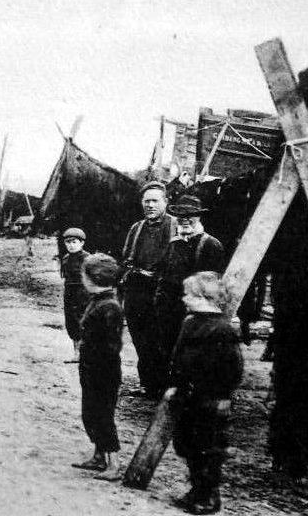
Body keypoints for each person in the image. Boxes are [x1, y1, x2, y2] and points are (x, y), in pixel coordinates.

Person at [166, 272, 244, 515]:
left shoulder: (222, 330)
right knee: (187, 443)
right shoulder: (190, 323)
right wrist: (175, 384)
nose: (184, 299)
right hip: (188, 397)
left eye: (189, 295)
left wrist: (223, 397)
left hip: (210, 399)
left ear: (204, 297)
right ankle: (196, 489)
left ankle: (209, 495)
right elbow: (178, 359)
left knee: (207, 447)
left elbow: (233, 369)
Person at [154, 195, 226, 389]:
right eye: (180, 216)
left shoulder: (211, 245)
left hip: (196, 311)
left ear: (199, 218)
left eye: (191, 216)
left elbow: (212, 285)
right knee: (170, 350)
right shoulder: (173, 244)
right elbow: (163, 275)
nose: (185, 220)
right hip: (170, 311)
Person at [119, 181, 176, 399]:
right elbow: (126, 257)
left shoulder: (175, 225)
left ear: (165, 202)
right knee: (140, 338)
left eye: (155, 201)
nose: (150, 205)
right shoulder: (137, 228)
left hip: (163, 291)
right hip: (137, 290)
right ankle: (148, 384)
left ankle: (166, 385)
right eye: (147, 201)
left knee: (162, 338)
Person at [71, 253, 125, 480]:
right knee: (91, 413)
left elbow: (113, 346)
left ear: (92, 278)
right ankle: (99, 456)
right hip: (91, 368)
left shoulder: (110, 306)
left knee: (102, 415)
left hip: (103, 371)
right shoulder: (98, 300)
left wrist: (97, 363)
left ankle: (113, 464)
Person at [59, 228, 90, 362]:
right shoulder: (65, 259)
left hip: (83, 293)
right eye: (68, 242)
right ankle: (76, 353)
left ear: (82, 243)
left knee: (83, 321)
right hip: (70, 293)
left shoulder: (87, 258)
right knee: (71, 322)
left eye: (74, 242)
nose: (71, 245)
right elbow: (64, 276)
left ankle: (87, 353)